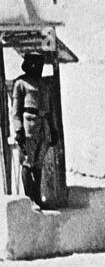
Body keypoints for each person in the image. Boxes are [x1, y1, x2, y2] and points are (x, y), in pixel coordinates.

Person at [7, 53, 57, 208]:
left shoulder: (43, 84)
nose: (39, 68)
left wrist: (53, 130)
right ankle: (30, 200)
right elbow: (15, 112)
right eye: (36, 64)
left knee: (38, 163)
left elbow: (49, 111)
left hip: (44, 125)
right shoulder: (21, 83)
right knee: (28, 162)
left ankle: (37, 197)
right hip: (29, 125)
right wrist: (19, 130)